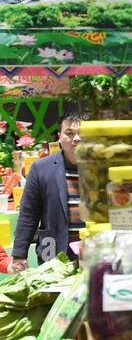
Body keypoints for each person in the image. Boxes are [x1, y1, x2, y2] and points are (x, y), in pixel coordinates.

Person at [12, 108, 84, 270]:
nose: (77, 138)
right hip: (54, 248)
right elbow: (29, 214)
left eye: (82, 133)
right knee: (53, 294)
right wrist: (19, 255)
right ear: (59, 137)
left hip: (92, 248)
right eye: (69, 133)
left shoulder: (99, 167)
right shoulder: (41, 168)